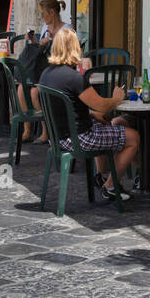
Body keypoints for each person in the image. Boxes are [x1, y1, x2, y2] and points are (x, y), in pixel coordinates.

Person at [38, 28, 140, 201]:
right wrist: (116, 98)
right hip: (79, 139)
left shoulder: (46, 75)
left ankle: (101, 176)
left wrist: (91, 115)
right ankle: (110, 187)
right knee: (133, 137)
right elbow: (103, 105)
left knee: (102, 123)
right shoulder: (74, 78)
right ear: (75, 48)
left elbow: (67, 108)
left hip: (58, 138)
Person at [19, 0, 71, 144]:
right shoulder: (44, 28)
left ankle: (46, 131)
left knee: (35, 92)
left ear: (52, 12)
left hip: (58, 71)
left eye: (43, 14)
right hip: (43, 70)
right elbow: (41, 52)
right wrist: (35, 43)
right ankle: (27, 129)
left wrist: (51, 42)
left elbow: (67, 55)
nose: (41, 17)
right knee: (21, 89)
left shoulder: (66, 29)